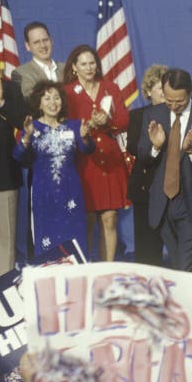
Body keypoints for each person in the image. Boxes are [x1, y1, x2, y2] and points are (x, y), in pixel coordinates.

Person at [138, 68, 192, 272]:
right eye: (169, 101)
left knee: (187, 265)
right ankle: (191, 301)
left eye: (180, 101)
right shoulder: (153, 114)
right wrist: (156, 146)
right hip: (163, 204)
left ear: (190, 92)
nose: (174, 106)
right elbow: (142, 155)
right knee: (179, 266)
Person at [62, 45, 129, 262]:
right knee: (87, 220)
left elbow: (124, 121)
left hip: (110, 160)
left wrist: (107, 121)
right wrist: (88, 124)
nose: (90, 68)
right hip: (84, 162)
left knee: (110, 218)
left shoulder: (111, 87)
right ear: (74, 67)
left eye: (92, 63)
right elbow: (64, 125)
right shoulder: (67, 92)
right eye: (84, 64)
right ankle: (86, 270)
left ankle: (106, 271)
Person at [14, 81, 93, 253]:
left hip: (71, 193)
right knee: (47, 245)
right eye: (47, 98)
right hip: (44, 195)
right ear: (39, 103)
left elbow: (88, 149)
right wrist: (26, 137)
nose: (53, 103)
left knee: (75, 241)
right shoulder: (31, 127)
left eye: (56, 98)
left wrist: (85, 137)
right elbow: (18, 156)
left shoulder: (73, 126)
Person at [0, 42, 27, 281]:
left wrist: (1, 104)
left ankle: (1, 294)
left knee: (5, 237)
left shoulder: (9, 89)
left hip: (3, 170)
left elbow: (22, 121)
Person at [126, 64, 167, 266]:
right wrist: (154, 146)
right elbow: (132, 146)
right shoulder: (137, 116)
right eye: (160, 87)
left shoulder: (181, 114)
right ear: (149, 91)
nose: (165, 92)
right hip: (146, 186)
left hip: (175, 187)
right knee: (147, 247)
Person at [12, 22, 64, 98]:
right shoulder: (21, 73)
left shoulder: (67, 68)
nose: (43, 45)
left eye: (45, 40)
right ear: (28, 46)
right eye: (36, 42)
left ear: (51, 41)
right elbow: (31, 100)